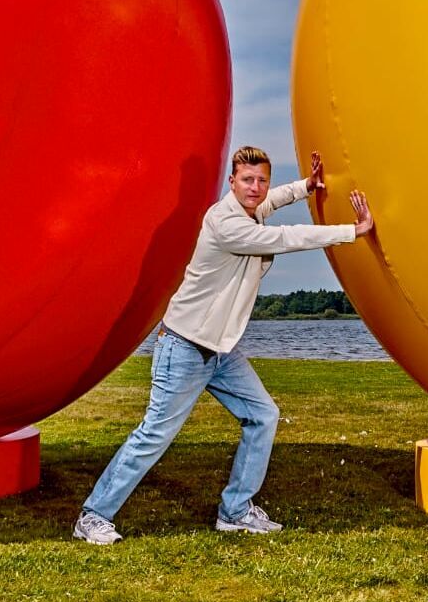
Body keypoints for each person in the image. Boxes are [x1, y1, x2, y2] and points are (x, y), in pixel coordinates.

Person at [74, 146, 373, 544]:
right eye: (247, 180)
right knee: (154, 436)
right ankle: (93, 516)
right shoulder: (226, 223)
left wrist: (306, 185)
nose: (256, 187)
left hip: (220, 351)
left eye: (261, 180)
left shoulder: (252, 209)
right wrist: (352, 231)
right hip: (184, 347)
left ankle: (235, 512)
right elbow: (287, 237)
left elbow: (273, 200)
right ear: (232, 182)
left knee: (263, 415)